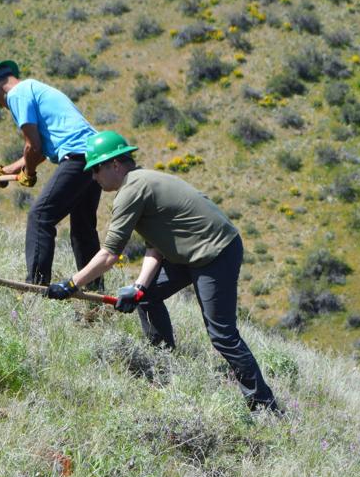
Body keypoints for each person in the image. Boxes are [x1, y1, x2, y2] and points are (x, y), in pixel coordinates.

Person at [45, 130, 279, 412]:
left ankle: (264, 406)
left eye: (95, 169)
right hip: (192, 253)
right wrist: (139, 287)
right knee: (146, 297)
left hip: (215, 253)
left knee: (222, 335)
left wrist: (71, 284)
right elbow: (156, 246)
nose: (93, 177)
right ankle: (164, 364)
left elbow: (109, 254)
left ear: (114, 164)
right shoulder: (144, 180)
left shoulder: (132, 189)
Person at [0, 60, 101, 287]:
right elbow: (40, 147)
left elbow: (33, 147)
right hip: (96, 156)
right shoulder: (33, 88)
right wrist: (7, 170)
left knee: (40, 216)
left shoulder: (16, 95)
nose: (2, 107)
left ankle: (36, 286)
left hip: (76, 157)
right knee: (83, 228)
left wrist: (30, 173)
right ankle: (95, 291)